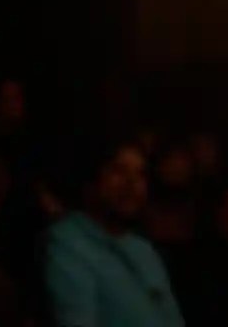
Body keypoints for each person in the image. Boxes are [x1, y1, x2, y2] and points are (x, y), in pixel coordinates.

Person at [42, 134, 186, 327]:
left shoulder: (143, 250)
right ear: (92, 179)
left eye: (140, 174)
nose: (132, 184)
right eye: (119, 171)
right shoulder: (67, 245)